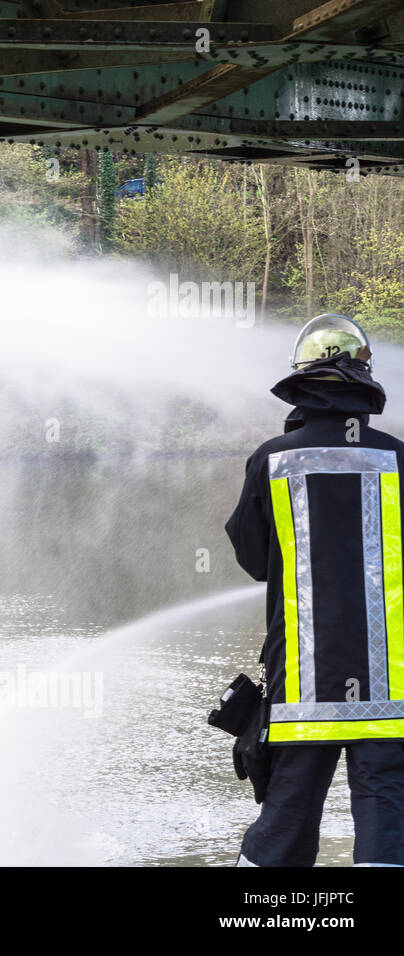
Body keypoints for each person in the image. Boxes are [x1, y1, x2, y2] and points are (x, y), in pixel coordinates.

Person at [226, 314, 404, 867]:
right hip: (390, 689)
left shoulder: (273, 460)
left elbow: (255, 560)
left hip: (303, 688)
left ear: (301, 380)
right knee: (385, 808)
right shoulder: (398, 460)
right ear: (364, 379)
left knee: (287, 810)